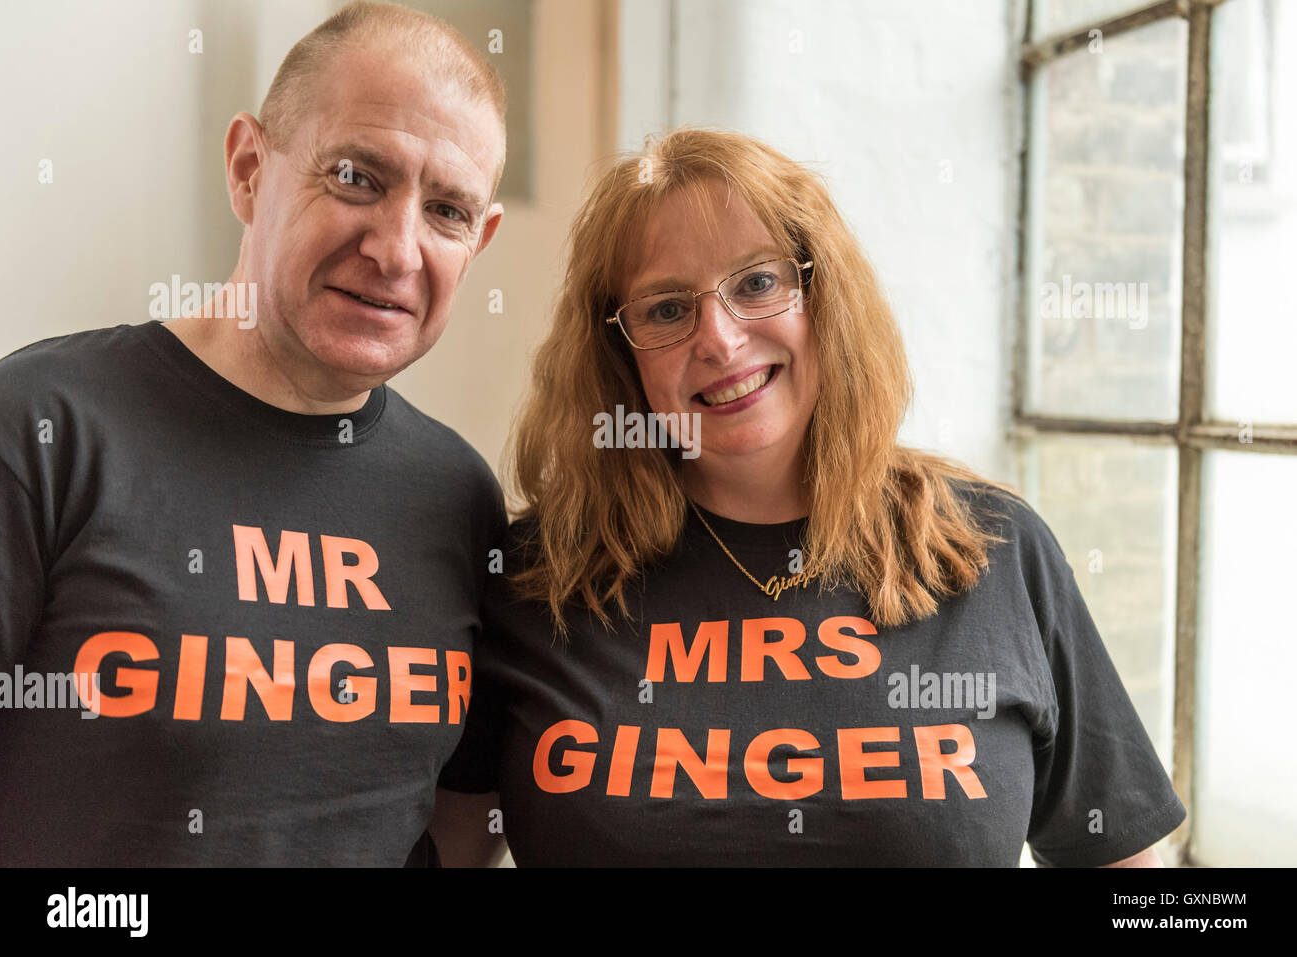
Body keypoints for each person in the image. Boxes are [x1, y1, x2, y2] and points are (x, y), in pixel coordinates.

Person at [432, 127, 1186, 867]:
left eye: (757, 283)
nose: (719, 340)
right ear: (620, 357)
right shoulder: (541, 578)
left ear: (824, 297)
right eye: (666, 309)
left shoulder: (990, 548)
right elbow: (449, 852)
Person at [0, 1, 505, 865]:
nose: (397, 250)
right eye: (356, 176)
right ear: (247, 169)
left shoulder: (458, 495)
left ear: (479, 240)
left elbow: (461, 812)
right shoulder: (43, 429)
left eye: (447, 211)